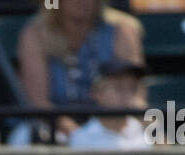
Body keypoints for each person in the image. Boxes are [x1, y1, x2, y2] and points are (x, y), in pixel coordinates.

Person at [18, 0, 144, 142]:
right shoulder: (35, 33)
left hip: (111, 125)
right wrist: (76, 133)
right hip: (55, 128)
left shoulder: (123, 29)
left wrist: (152, 129)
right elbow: (38, 101)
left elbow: (134, 95)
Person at [67, 60, 148, 149]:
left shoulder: (146, 130)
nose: (127, 94)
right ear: (97, 92)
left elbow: (163, 153)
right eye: (118, 87)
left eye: (132, 88)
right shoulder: (81, 138)